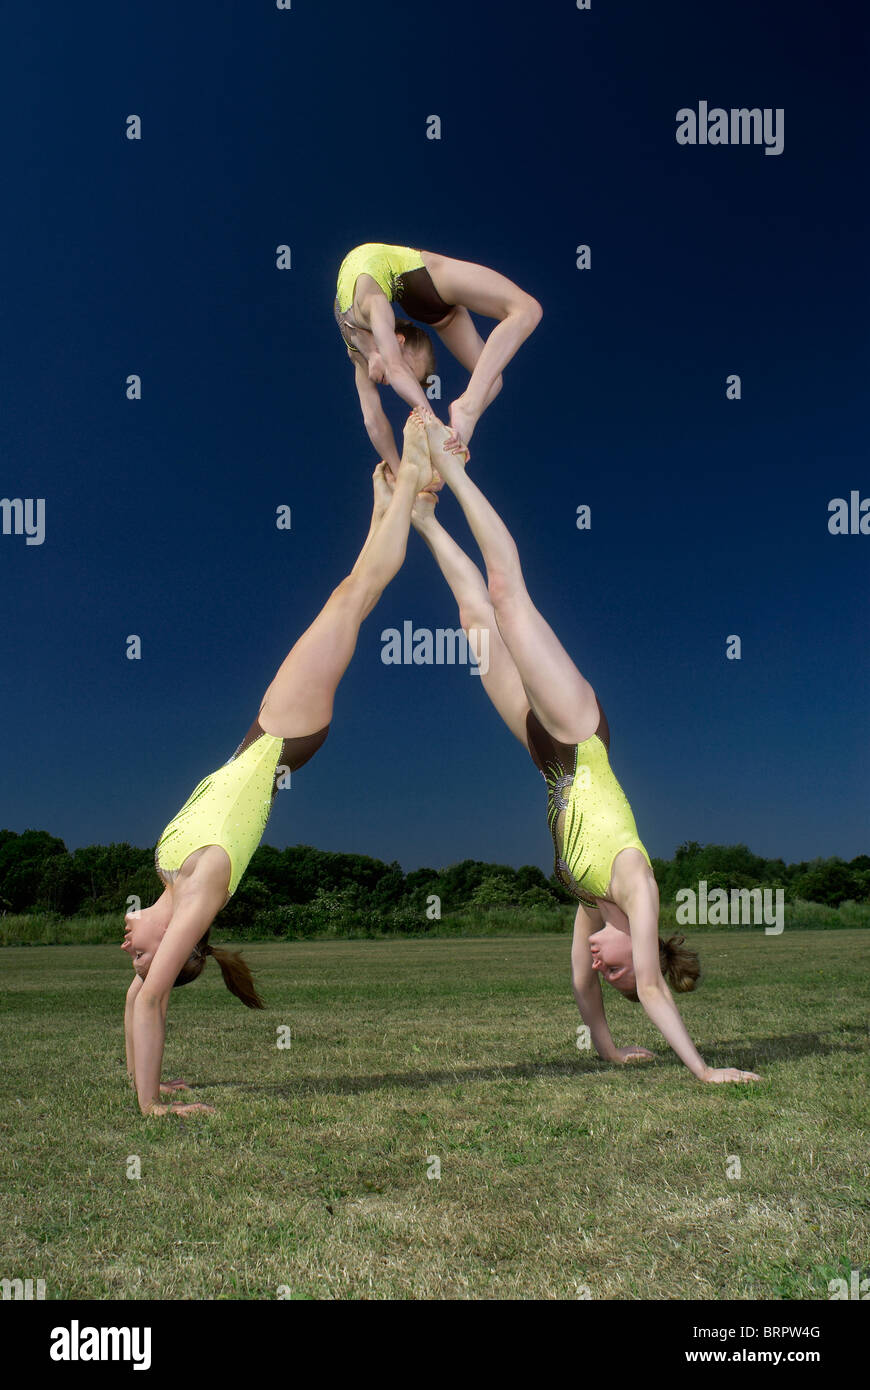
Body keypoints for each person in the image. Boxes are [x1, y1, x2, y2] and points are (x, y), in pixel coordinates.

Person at [407, 414, 761, 1084]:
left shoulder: (587, 901)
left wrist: (607, 1047)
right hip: (579, 733)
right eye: (619, 966)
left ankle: (424, 517)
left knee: (476, 628)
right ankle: (452, 467)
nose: (604, 964)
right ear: (643, 948)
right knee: (510, 600)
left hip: (545, 755)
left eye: (611, 971)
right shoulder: (635, 886)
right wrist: (704, 1070)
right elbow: (652, 989)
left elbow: (581, 986)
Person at [120, 416, 437, 1116]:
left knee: (348, 598)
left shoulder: (172, 873)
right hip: (284, 737)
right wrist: (153, 1109)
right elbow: (151, 998)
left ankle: (392, 507)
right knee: (351, 601)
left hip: (261, 732)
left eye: (133, 955)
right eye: (140, 954)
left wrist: (153, 1080)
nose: (126, 947)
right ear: (179, 945)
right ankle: (412, 481)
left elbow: (142, 1002)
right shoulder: (202, 890)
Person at [335, 242, 541, 470]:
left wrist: (434, 427)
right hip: (421, 291)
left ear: (398, 341)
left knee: (523, 318)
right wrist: (397, 470)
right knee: (499, 362)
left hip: (418, 274)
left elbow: (396, 369)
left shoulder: (371, 305)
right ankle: (461, 427)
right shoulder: (357, 352)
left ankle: (465, 413)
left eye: (410, 374)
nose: (406, 381)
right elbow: (373, 421)